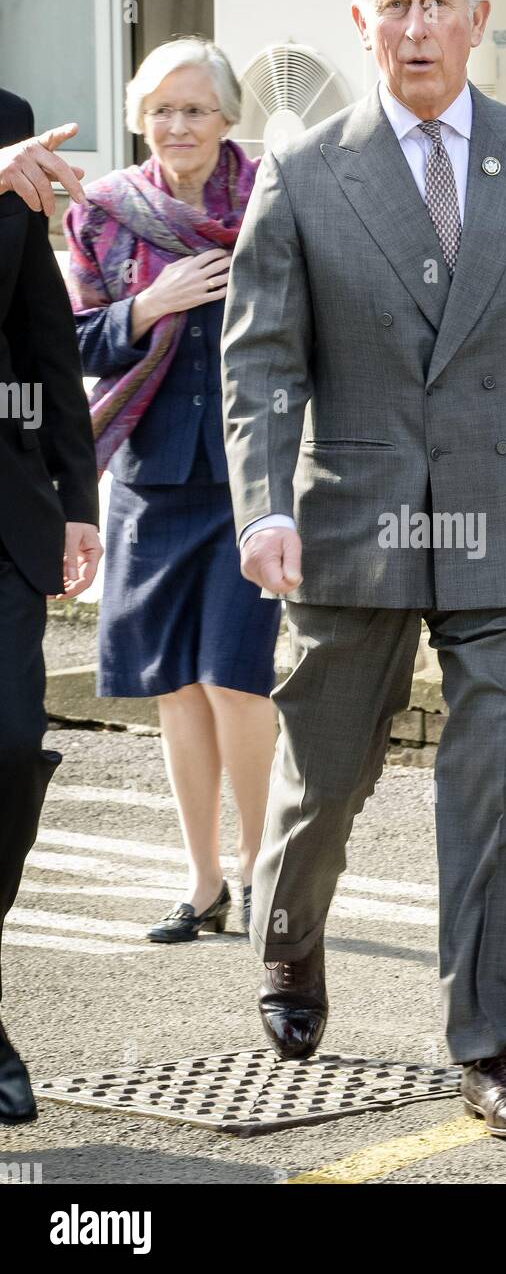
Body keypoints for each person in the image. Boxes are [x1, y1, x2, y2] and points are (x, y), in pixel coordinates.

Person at [221, 0, 506, 1140]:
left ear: (478, 20)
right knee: (326, 772)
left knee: (499, 788)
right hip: (356, 516)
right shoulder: (304, 166)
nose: (415, 27)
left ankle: (488, 1043)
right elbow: (262, 356)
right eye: (391, 7)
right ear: (360, 25)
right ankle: (289, 939)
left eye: (435, 4)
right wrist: (266, 505)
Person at [64, 38, 280, 943]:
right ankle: (201, 885)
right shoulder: (101, 213)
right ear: (137, 116)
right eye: (161, 109)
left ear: (230, 118)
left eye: (196, 108)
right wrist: (151, 304)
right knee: (175, 690)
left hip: (254, 476)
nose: (178, 126)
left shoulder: (277, 194)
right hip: (152, 476)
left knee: (237, 682)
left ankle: (265, 874)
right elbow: (71, 342)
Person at [0, 92, 101, 1124]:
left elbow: (43, 334)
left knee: (8, 745)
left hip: (3, 518)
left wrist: (77, 498)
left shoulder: (10, 123)